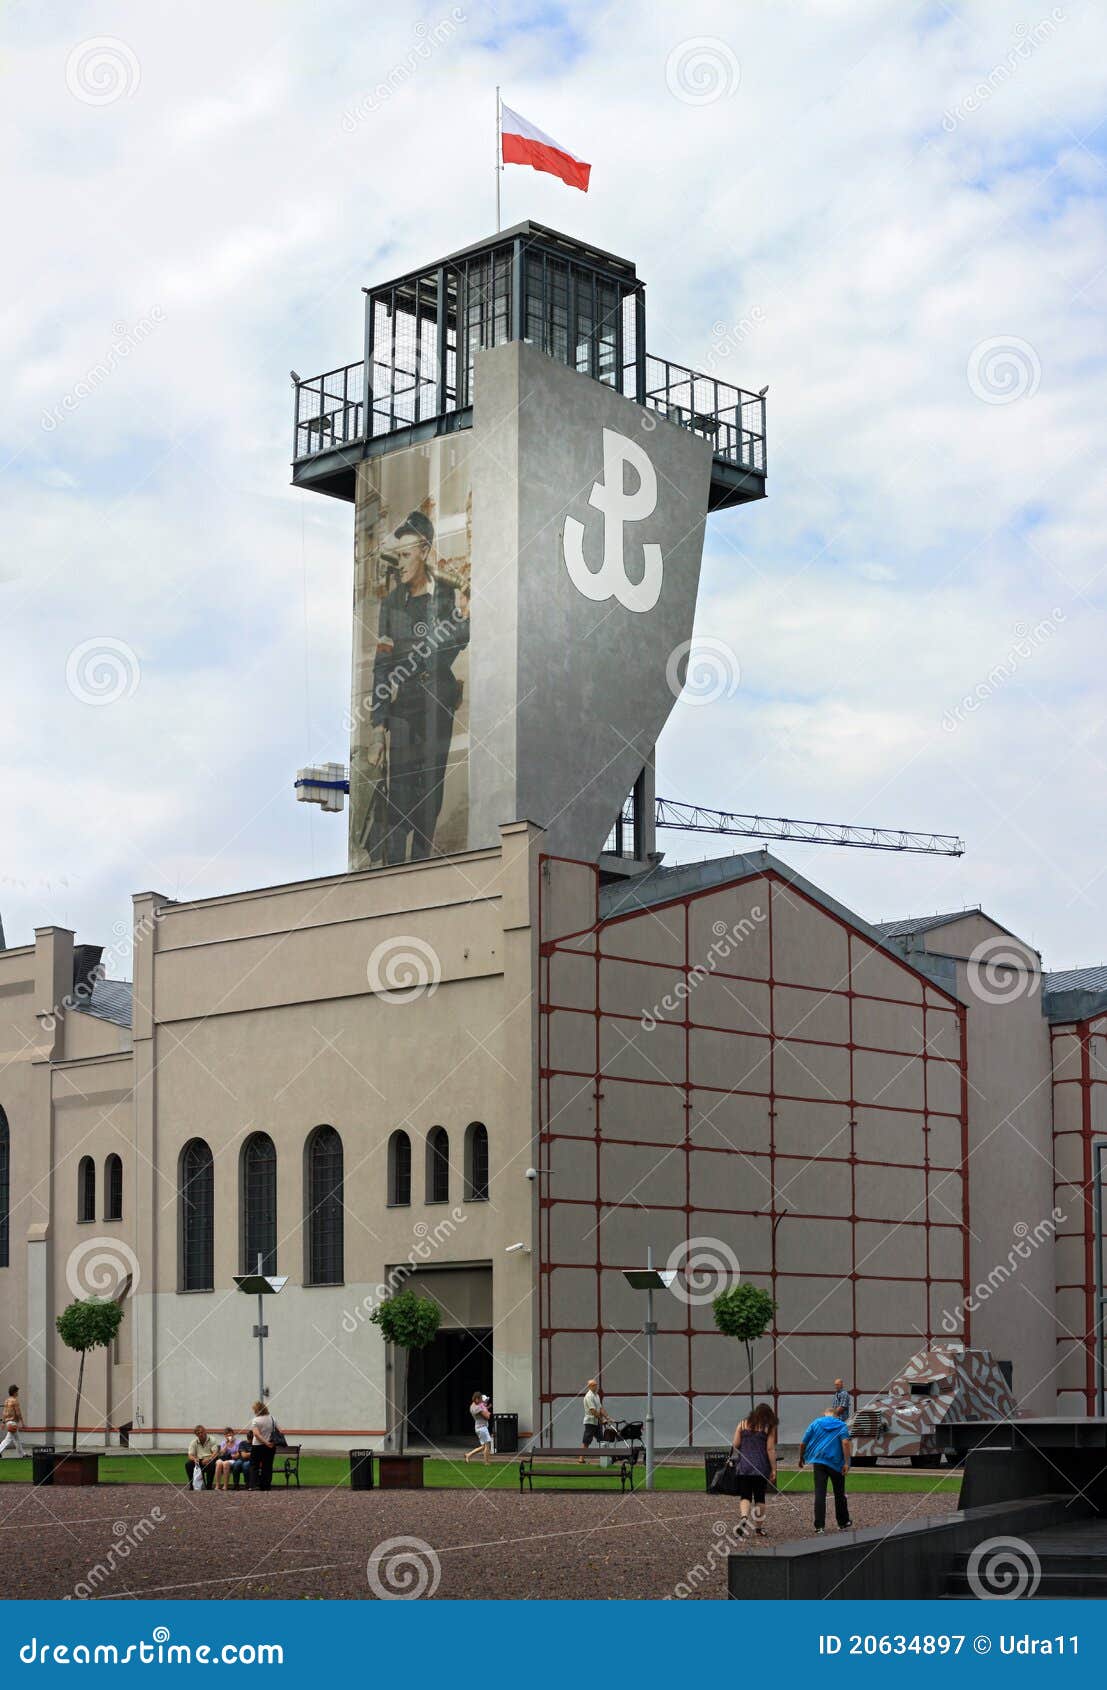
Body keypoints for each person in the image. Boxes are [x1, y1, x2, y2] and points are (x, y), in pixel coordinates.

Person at [367, 512, 469, 866]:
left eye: (406, 555)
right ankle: (395, 873)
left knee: (431, 797)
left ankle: (423, 869)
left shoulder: (448, 595)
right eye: (397, 557)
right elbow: (382, 664)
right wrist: (378, 728)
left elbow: (460, 640)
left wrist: (462, 620)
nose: (400, 564)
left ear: (424, 552)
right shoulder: (392, 604)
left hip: (438, 707)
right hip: (404, 708)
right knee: (399, 797)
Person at [799, 1404, 853, 1534]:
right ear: (836, 1415)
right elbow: (845, 1443)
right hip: (836, 1463)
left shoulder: (816, 1423)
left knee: (820, 1493)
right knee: (839, 1493)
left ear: (824, 1414)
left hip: (819, 1462)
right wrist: (847, 1462)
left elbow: (803, 1442)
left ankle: (819, 1526)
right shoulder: (841, 1425)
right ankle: (843, 1522)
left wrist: (801, 1457)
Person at [730, 1402, 778, 1537]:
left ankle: (744, 1517)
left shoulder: (742, 1424)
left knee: (745, 1494)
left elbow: (735, 1444)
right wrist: (774, 1469)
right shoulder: (768, 1427)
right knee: (760, 1497)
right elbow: (770, 1449)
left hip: (744, 1465)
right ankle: (758, 1528)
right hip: (761, 1466)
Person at [246, 1400, 276, 1491]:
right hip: (270, 1446)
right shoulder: (272, 1418)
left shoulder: (256, 1420)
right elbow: (280, 1431)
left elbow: (256, 1434)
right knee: (267, 1466)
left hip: (258, 1446)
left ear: (257, 1410)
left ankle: (253, 1485)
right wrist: (270, 1442)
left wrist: (265, 1442)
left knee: (254, 1465)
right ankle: (266, 1485)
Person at [578, 1379, 611, 1462]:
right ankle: (581, 1459)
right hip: (590, 1422)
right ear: (589, 1387)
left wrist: (608, 1417)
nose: (595, 1386)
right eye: (593, 1385)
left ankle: (605, 1459)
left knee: (602, 1439)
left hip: (597, 1421)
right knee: (587, 1440)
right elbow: (593, 1411)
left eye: (596, 1384)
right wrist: (601, 1419)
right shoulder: (589, 1396)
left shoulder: (596, 1395)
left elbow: (600, 1408)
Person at [185, 1425, 218, 1490]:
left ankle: (209, 1486)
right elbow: (190, 1455)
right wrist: (194, 1459)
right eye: (198, 1433)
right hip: (199, 1460)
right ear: (196, 1435)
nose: (200, 1434)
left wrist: (209, 1459)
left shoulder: (212, 1440)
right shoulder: (193, 1442)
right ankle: (192, 1485)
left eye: (201, 1432)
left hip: (210, 1459)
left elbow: (215, 1453)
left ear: (205, 1431)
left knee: (211, 1465)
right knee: (188, 1464)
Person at [465, 1391, 493, 1465]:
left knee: (483, 1446)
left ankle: (468, 1455)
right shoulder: (477, 1408)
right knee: (487, 1445)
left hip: (479, 1427)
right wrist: (487, 1411)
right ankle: (486, 1462)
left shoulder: (472, 1406)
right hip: (482, 1428)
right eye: (480, 1399)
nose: (481, 1401)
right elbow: (487, 1417)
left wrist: (486, 1407)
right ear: (476, 1399)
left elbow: (482, 1408)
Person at [0, 1386, 26, 1457]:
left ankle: (22, 1454)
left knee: (17, 1439)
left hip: (8, 1422)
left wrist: (3, 1422)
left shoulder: (7, 1400)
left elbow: (4, 1412)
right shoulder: (15, 1401)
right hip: (13, 1423)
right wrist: (22, 1422)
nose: (18, 1393)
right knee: (8, 1439)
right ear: (14, 1392)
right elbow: (18, 1413)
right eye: (17, 1391)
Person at [213, 1427, 240, 1491]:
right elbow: (222, 1453)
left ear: (233, 1434)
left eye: (230, 1434)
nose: (229, 1436)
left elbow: (238, 1455)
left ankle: (225, 1486)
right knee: (219, 1463)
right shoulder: (223, 1443)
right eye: (227, 1435)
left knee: (225, 1463)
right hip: (223, 1458)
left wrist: (232, 1456)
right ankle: (217, 1485)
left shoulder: (238, 1442)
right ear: (225, 1436)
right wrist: (227, 1444)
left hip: (232, 1459)